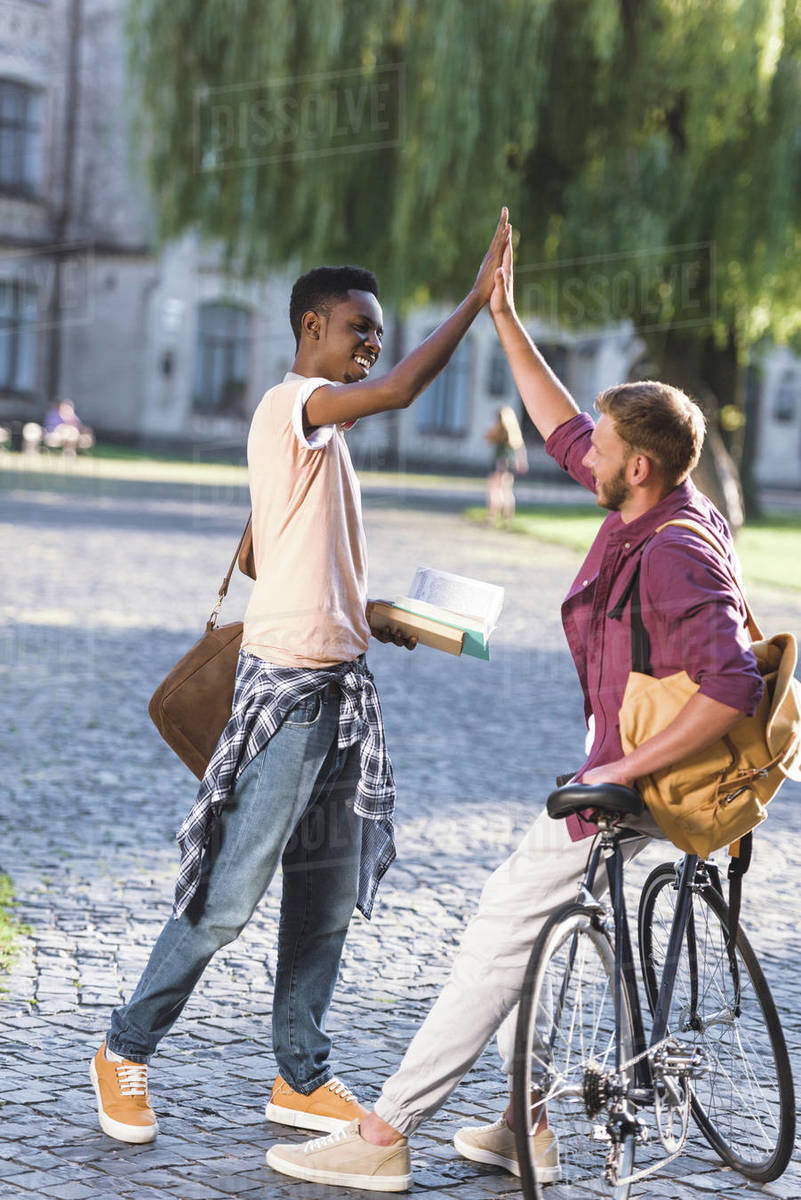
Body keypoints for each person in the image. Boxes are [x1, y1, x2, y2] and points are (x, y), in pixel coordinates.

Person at [266, 227, 765, 1190]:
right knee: (535, 930)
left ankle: (383, 1136)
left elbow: (732, 684)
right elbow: (562, 424)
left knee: (501, 925)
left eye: (605, 449)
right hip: (624, 772)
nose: (586, 456)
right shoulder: (654, 501)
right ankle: (520, 1122)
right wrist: (501, 314)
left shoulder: (671, 550)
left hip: (639, 787)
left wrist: (615, 773)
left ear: (639, 472)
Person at [89, 209, 511, 1145]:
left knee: (321, 904)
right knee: (231, 896)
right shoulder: (293, 407)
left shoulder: (320, 440)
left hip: (337, 693)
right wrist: (478, 301)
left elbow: (288, 561)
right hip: (287, 697)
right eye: (359, 327)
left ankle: (301, 1076)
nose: (373, 343)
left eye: (378, 332)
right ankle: (121, 1048)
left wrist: (383, 617)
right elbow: (402, 391)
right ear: (310, 328)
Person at [485, 404, 527, 521]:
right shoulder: (514, 431)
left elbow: (488, 439)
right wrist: (522, 462)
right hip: (510, 463)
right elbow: (520, 447)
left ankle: (492, 514)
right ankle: (507, 515)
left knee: (494, 489)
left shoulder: (499, 430)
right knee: (507, 490)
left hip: (499, 462)